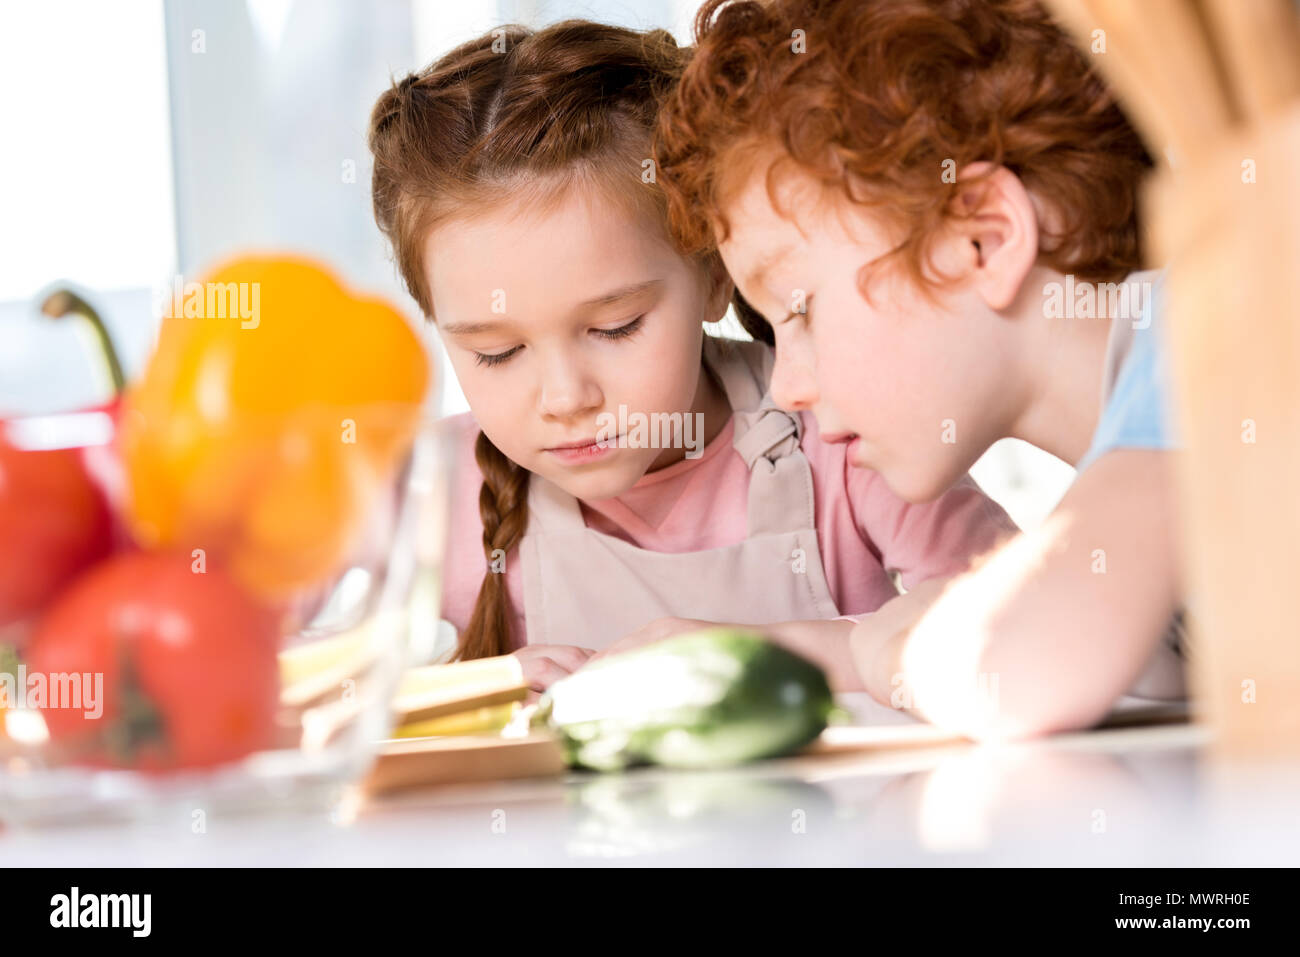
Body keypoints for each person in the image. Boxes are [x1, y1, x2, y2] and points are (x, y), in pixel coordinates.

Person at [367, 19, 1015, 692]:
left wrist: (769, 655)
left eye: (616, 326)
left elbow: (1023, 615)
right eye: (496, 352)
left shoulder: (845, 432)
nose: (565, 398)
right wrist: (459, 690)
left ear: (713, 272)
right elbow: (285, 682)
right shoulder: (427, 493)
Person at [655, 0, 1186, 739]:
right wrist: (813, 648)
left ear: (984, 238)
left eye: (800, 310)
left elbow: (1019, 668)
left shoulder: (1204, 338)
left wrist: (884, 650)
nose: (785, 386)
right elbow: (1137, 665)